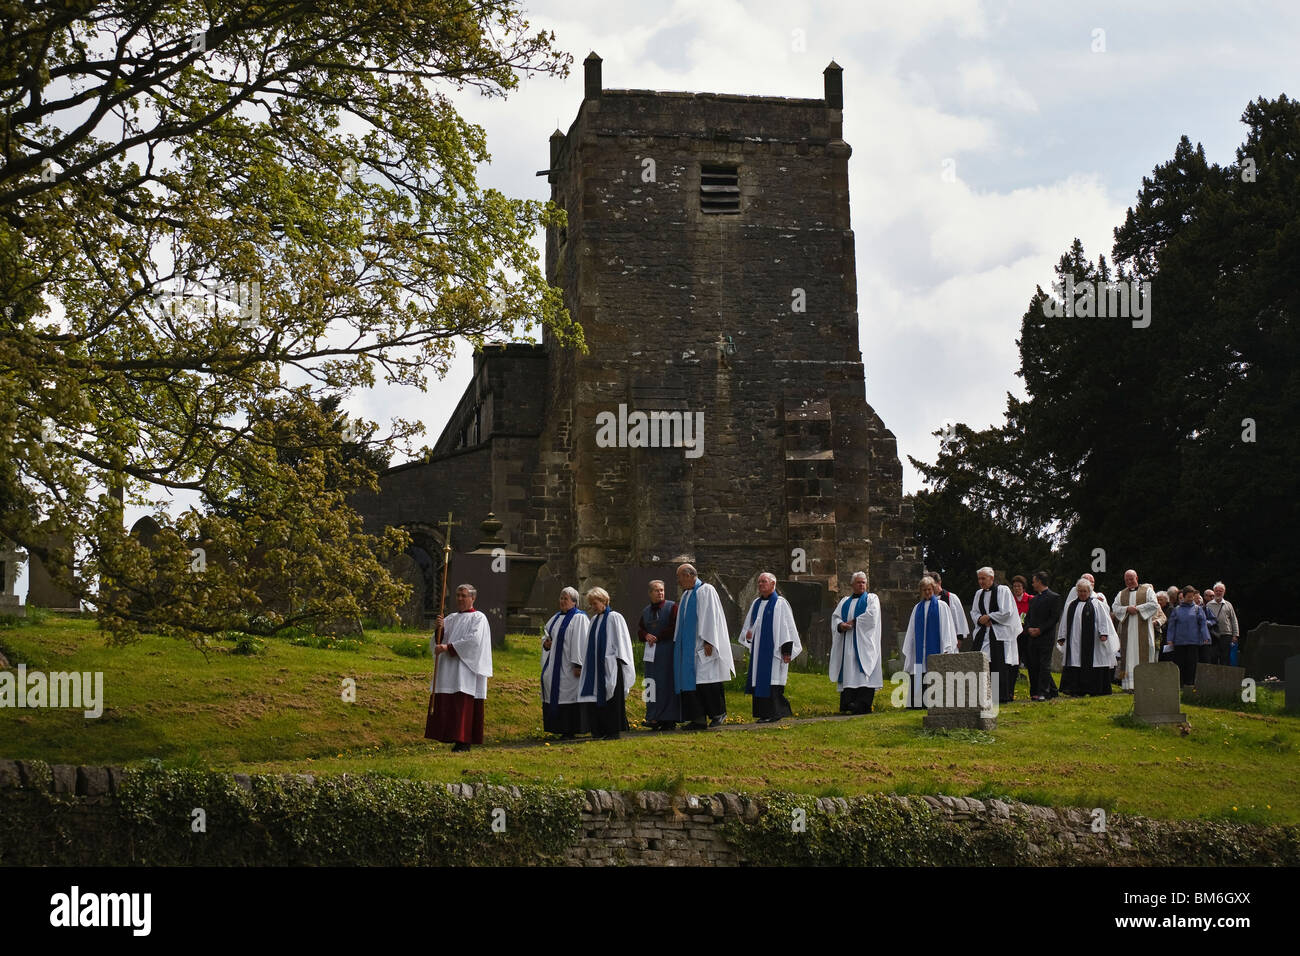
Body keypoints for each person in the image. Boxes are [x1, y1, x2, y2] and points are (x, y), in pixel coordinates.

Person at [425, 583, 493, 752]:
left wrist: (448, 648)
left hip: (465, 671)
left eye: (464, 595)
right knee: (450, 706)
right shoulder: (450, 618)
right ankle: (451, 736)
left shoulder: (479, 618)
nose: (460, 599)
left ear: (473, 598)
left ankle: (463, 741)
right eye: (458, 595)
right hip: (448, 670)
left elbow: (474, 641)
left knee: (463, 705)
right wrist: (438, 629)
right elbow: (437, 641)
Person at [674, 563, 734, 729]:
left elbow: (711, 616)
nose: (678, 582)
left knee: (708, 683)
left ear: (688, 575)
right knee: (692, 685)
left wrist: (709, 640)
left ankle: (718, 713)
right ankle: (698, 718)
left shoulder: (706, 590)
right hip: (688, 649)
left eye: (679, 577)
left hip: (703, 646)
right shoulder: (687, 595)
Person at [570, 587, 636, 740]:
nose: (593, 607)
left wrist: (618, 661)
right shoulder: (594, 620)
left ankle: (612, 731)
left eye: (595, 603)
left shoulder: (615, 617)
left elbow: (622, 641)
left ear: (604, 601)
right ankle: (598, 730)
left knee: (611, 698)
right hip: (596, 666)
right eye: (591, 604)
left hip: (611, 665)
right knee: (594, 698)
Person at [739, 572, 803, 722]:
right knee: (759, 680)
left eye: (764, 582)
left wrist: (787, 651)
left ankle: (775, 713)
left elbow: (787, 628)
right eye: (759, 582)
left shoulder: (780, 603)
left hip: (775, 652)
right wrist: (748, 635)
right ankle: (763, 713)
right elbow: (749, 625)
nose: (761, 584)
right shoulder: (755, 603)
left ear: (773, 584)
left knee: (772, 681)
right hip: (759, 651)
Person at [829, 570, 883, 714]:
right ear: (852, 584)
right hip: (848, 643)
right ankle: (847, 703)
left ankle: (862, 704)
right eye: (858, 582)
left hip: (864, 643)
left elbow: (872, 615)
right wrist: (840, 625)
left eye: (863, 582)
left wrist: (854, 621)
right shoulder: (844, 601)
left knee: (864, 671)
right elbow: (835, 617)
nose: (861, 585)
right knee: (849, 671)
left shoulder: (872, 599)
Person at [901, 576, 958, 709]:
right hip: (920, 649)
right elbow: (911, 630)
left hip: (936, 647)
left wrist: (946, 646)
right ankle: (917, 702)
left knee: (934, 672)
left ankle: (935, 702)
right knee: (919, 672)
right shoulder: (917, 608)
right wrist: (910, 645)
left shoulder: (941, 606)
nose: (927, 592)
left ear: (934, 589)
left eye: (929, 589)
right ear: (921, 591)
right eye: (924, 590)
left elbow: (946, 628)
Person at [541, 587, 589, 738]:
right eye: (561, 598)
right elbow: (547, 635)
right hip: (555, 664)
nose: (562, 601)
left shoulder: (579, 618)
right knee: (555, 693)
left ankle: (570, 729)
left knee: (569, 695)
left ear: (574, 602)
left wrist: (578, 664)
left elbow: (581, 642)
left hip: (569, 667)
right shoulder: (555, 618)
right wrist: (546, 643)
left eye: (566, 599)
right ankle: (559, 728)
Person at [1056, 578, 1116, 697]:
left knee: (1093, 662)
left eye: (1085, 591)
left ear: (1089, 591)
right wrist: (1062, 636)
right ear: (1077, 591)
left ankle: (1095, 690)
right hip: (1075, 641)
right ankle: (1076, 690)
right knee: (1076, 662)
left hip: (1093, 641)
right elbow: (1064, 622)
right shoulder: (1070, 605)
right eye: (1080, 591)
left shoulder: (1097, 604)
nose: (1082, 594)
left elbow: (1104, 620)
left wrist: (1103, 633)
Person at [969, 567, 1019, 703]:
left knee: (998, 664)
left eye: (983, 578)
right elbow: (973, 611)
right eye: (979, 578)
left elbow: (1007, 611)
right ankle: (981, 694)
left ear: (991, 578)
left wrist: (989, 617)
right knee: (981, 662)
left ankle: (1000, 695)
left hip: (999, 634)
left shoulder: (1003, 591)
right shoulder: (979, 593)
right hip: (984, 633)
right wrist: (980, 619)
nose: (980, 581)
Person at [637, 579, 680, 729]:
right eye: (656, 590)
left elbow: (675, 626)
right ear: (650, 593)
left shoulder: (672, 607)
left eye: (662, 590)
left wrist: (659, 636)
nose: (660, 593)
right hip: (651, 655)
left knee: (667, 683)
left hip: (667, 652)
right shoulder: (646, 611)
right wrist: (645, 635)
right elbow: (640, 630)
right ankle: (652, 716)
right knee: (650, 684)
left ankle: (669, 718)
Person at [1111, 569, 1159, 692]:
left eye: (1131, 579)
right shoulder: (1121, 594)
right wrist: (1127, 609)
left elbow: (1154, 605)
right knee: (1127, 658)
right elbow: (1115, 607)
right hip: (1127, 634)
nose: (1129, 582)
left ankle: (1146, 685)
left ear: (1136, 578)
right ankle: (1127, 685)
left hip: (1144, 631)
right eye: (1126, 580)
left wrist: (1137, 609)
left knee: (1146, 655)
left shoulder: (1147, 591)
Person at [1023, 571, 1062, 700]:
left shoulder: (1054, 597)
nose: (1033, 584)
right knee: (1033, 665)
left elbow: (1054, 618)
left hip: (1045, 637)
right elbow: (1028, 617)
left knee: (1044, 665)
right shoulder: (1034, 600)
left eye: (1034, 581)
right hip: (1032, 637)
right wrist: (1028, 629)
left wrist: (1040, 629)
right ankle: (1036, 691)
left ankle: (1044, 692)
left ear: (1039, 581)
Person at [1164, 585, 1211, 686]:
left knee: (1192, 663)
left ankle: (1190, 683)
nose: (1190, 599)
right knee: (1180, 663)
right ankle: (1180, 683)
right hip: (1179, 642)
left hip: (1193, 642)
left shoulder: (1198, 609)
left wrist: (1205, 636)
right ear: (1183, 596)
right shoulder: (1176, 610)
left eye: (1192, 596)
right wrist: (1170, 639)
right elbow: (1171, 626)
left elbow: (1203, 624)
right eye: (1188, 596)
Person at [929, 571, 970, 651]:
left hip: (951, 639)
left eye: (933, 585)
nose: (931, 588)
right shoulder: (927, 601)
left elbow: (959, 618)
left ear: (939, 582)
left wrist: (959, 638)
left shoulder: (951, 597)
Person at [1206, 582, 1240, 665]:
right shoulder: (1208, 605)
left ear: (1224, 592)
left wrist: (1235, 635)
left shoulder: (1228, 605)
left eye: (1220, 591)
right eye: (1216, 591)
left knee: (1225, 657)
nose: (1218, 592)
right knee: (1213, 656)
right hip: (1213, 635)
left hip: (1226, 634)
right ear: (1214, 591)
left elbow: (1233, 620)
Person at [1011, 575, 1031, 688]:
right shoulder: (1010, 600)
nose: (1017, 588)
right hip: (1015, 635)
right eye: (1014, 586)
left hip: (1027, 634)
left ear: (1024, 588)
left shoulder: (1030, 599)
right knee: (1015, 661)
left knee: (1031, 661)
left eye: (1019, 586)